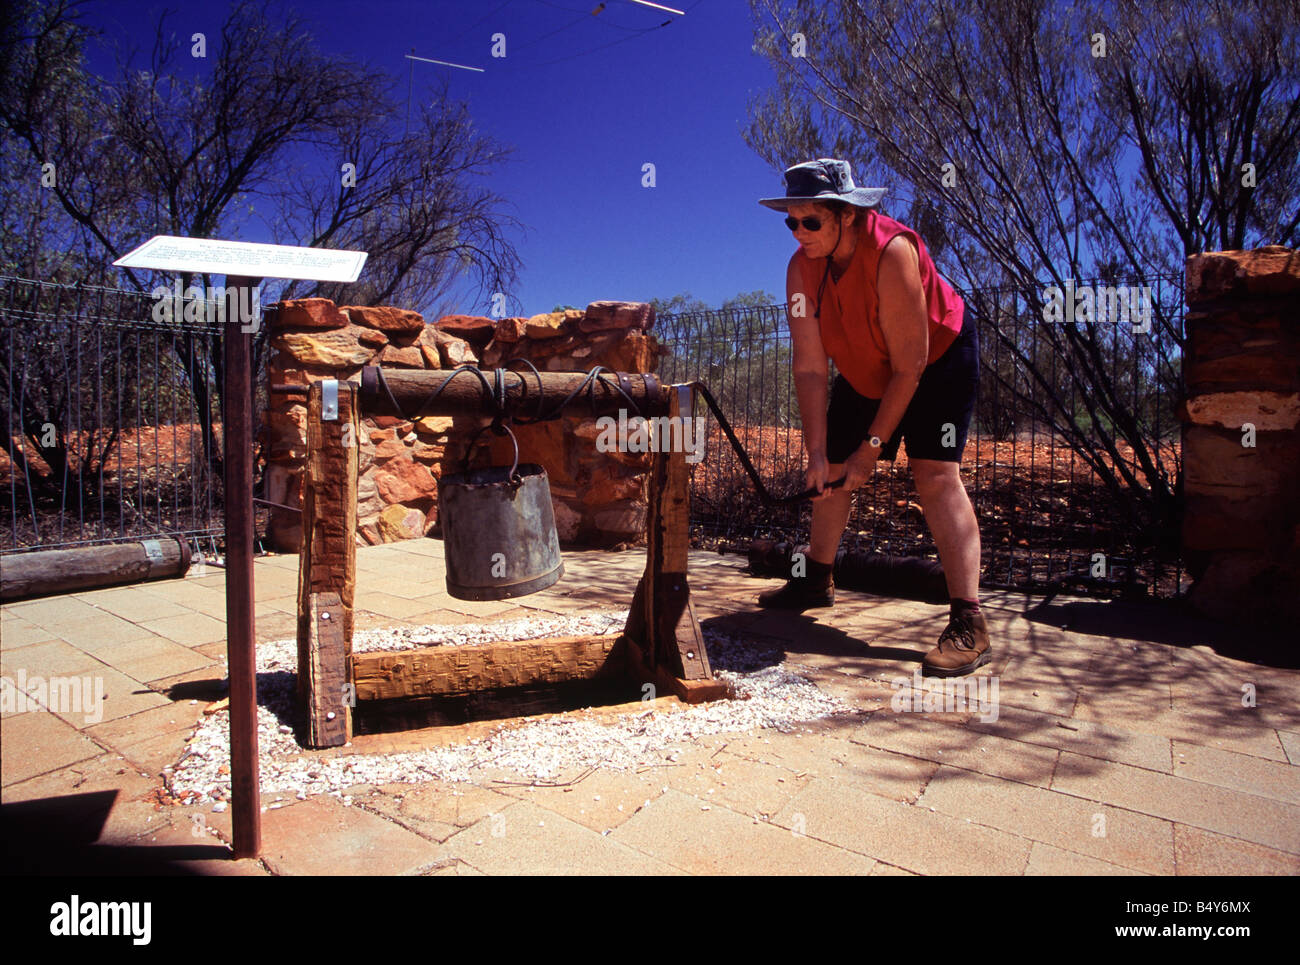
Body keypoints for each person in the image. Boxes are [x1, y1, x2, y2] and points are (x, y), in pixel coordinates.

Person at [756, 158, 988, 677]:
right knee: (833, 472)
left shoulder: (892, 253)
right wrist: (818, 452)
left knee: (934, 475)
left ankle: (969, 620)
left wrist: (873, 449)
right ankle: (816, 579)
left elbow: (909, 367)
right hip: (865, 370)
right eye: (790, 221)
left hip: (936, 358)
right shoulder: (801, 268)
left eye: (810, 221)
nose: (799, 233)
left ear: (848, 216)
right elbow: (811, 366)